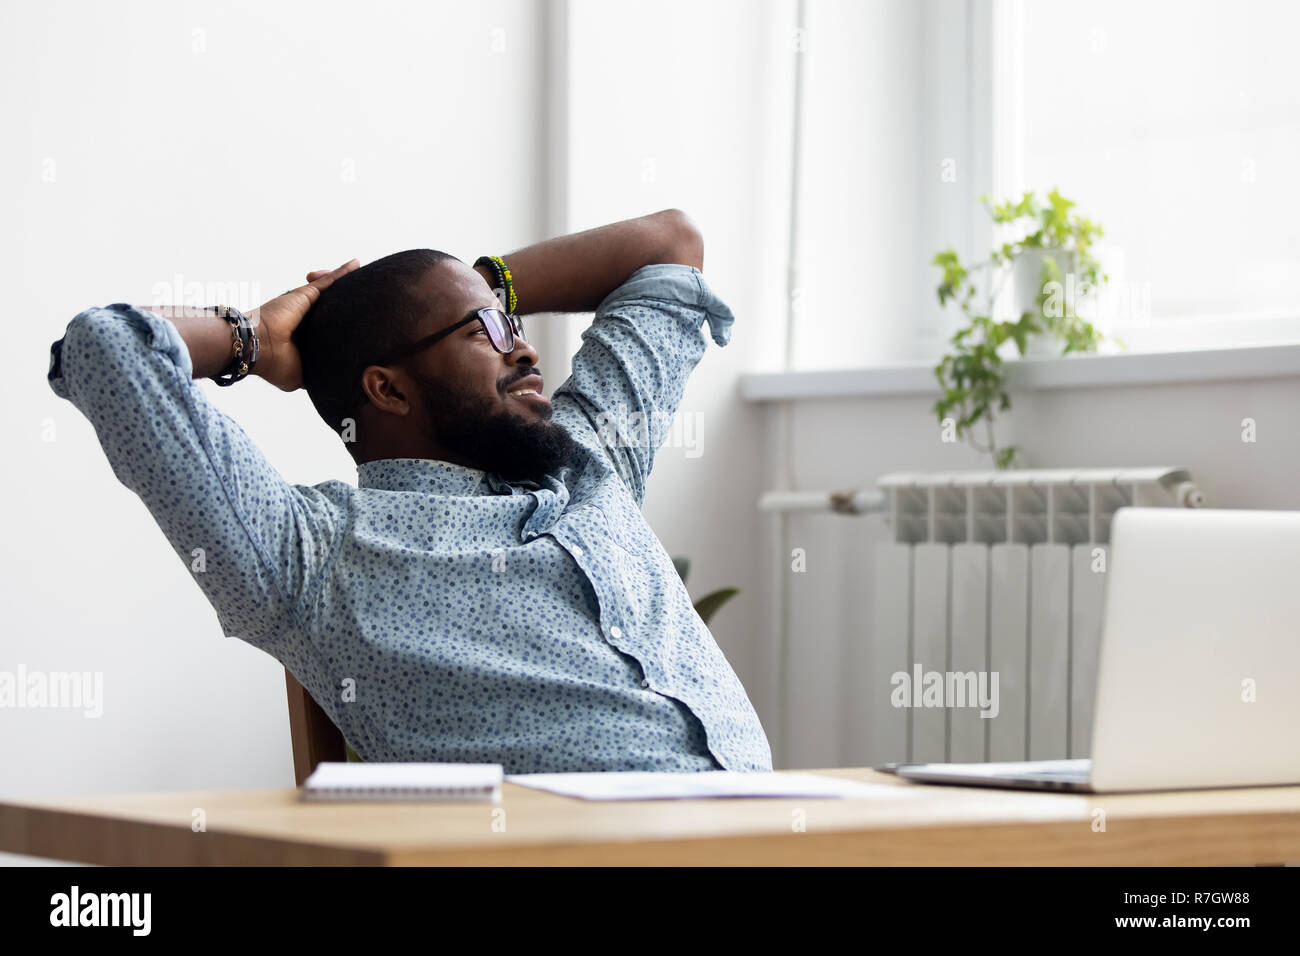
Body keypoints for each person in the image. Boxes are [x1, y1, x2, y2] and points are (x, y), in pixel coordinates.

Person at [47, 208, 773, 774]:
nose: (521, 346)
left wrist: (474, 281)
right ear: (387, 389)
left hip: (786, 837)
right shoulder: (310, 554)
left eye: (509, 320)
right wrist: (259, 339)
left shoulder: (587, 459)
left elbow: (669, 245)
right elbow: (104, 349)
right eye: (482, 329)